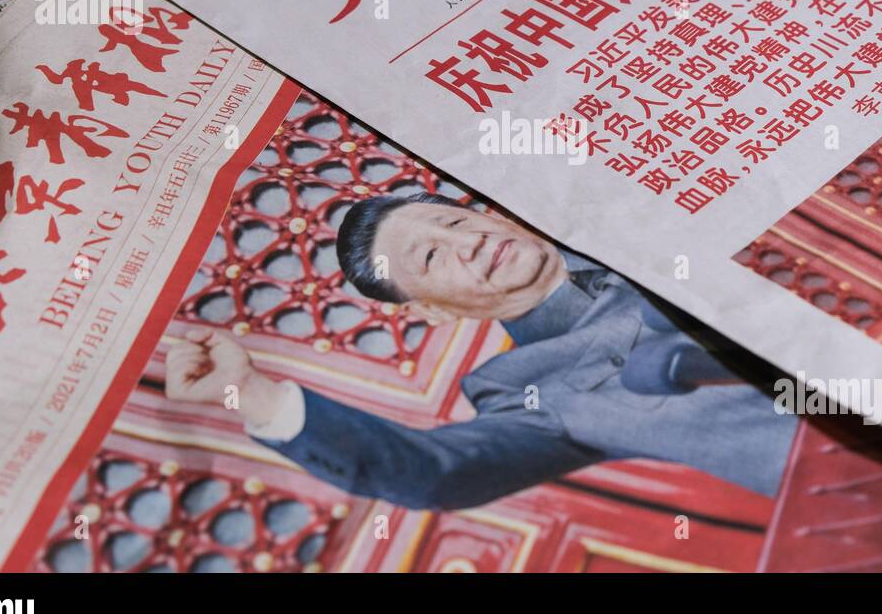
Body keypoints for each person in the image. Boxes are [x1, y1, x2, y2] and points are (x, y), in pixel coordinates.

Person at [166, 193, 798, 510]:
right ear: (435, 309)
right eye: (433, 257)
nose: (464, 243)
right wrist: (253, 393)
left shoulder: (629, 212)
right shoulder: (532, 390)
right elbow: (438, 472)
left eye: (455, 223)